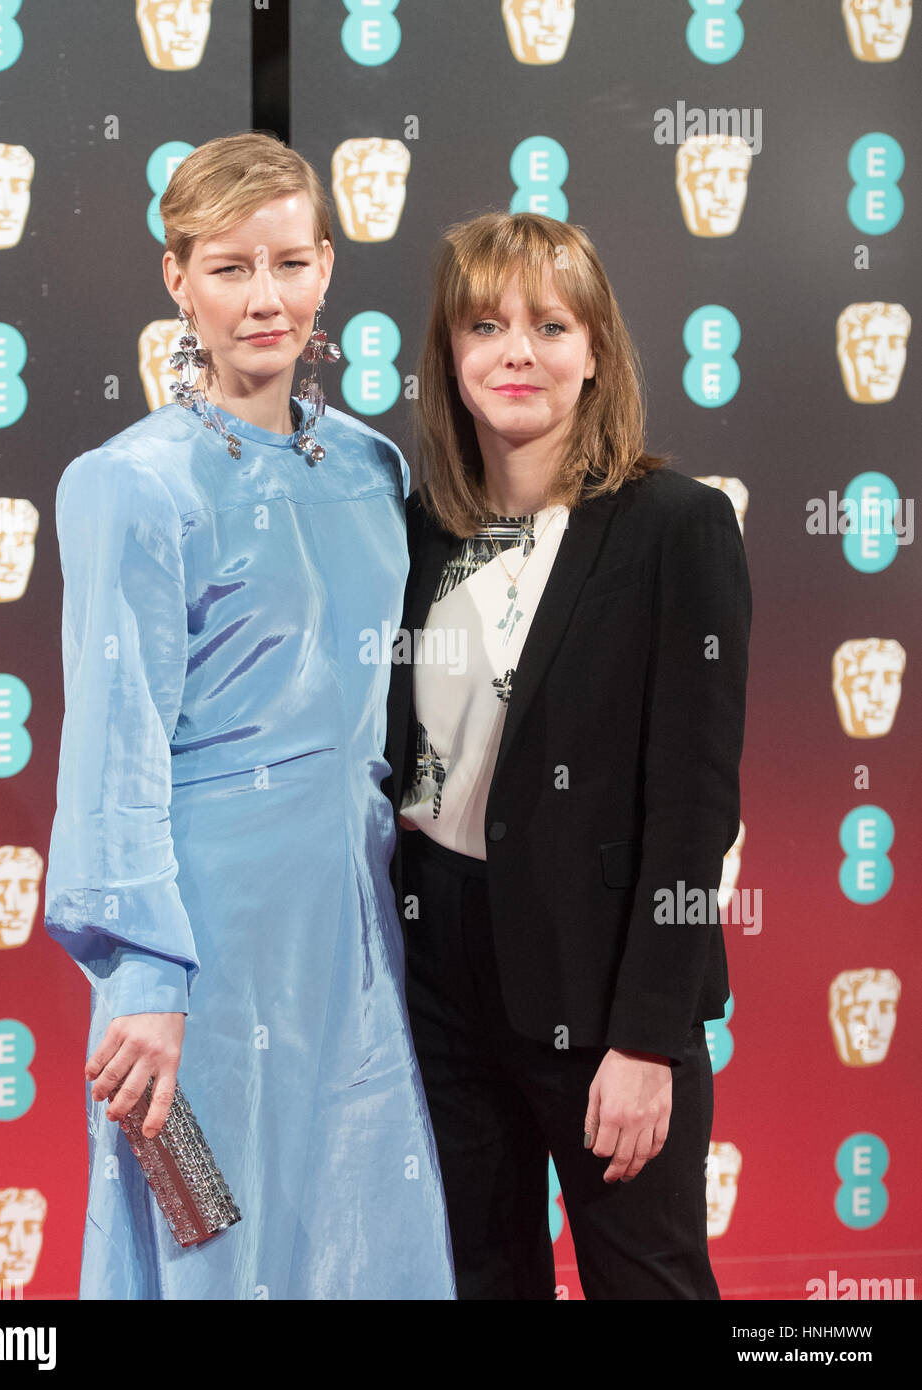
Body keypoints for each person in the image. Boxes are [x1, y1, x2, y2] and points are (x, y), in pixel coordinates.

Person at [44, 132, 455, 1300]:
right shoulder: (133, 482)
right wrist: (141, 977)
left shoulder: (372, 467)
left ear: (326, 266)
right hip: (202, 939)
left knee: (364, 1230)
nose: (263, 297)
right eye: (228, 268)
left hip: (356, 931)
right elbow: (113, 747)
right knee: (209, 1239)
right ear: (177, 280)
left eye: (286, 262)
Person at [385, 211, 752, 1299]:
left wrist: (645, 1041)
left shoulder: (676, 528)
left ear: (596, 351)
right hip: (444, 978)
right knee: (481, 1279)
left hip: (606, 991)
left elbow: (696, 811)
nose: (517, 353)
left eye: (551, 325)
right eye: (486, 325)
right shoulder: (419, 531)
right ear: (450, 355)